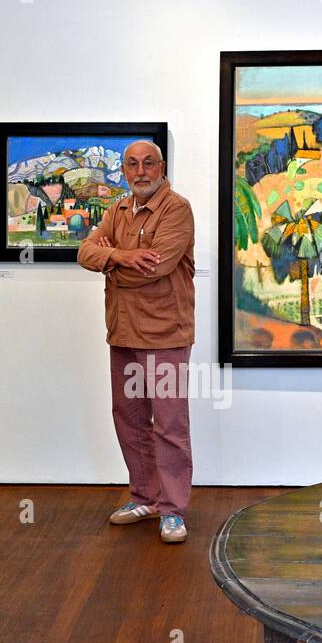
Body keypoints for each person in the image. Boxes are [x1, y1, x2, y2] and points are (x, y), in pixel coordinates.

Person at [77, 140, 195, 543]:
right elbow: (85, 251)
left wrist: (112, 262)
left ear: (161, 167)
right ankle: (144, 496)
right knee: (129, 419)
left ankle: (173, 510)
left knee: (169, 425)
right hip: (123, 334)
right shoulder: (117, 209)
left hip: (165, 336)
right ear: (124, 170)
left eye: (148, 163)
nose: (141, 171)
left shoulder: (176, 208)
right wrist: (124, 258)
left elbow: (157, 267)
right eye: (132, 164)